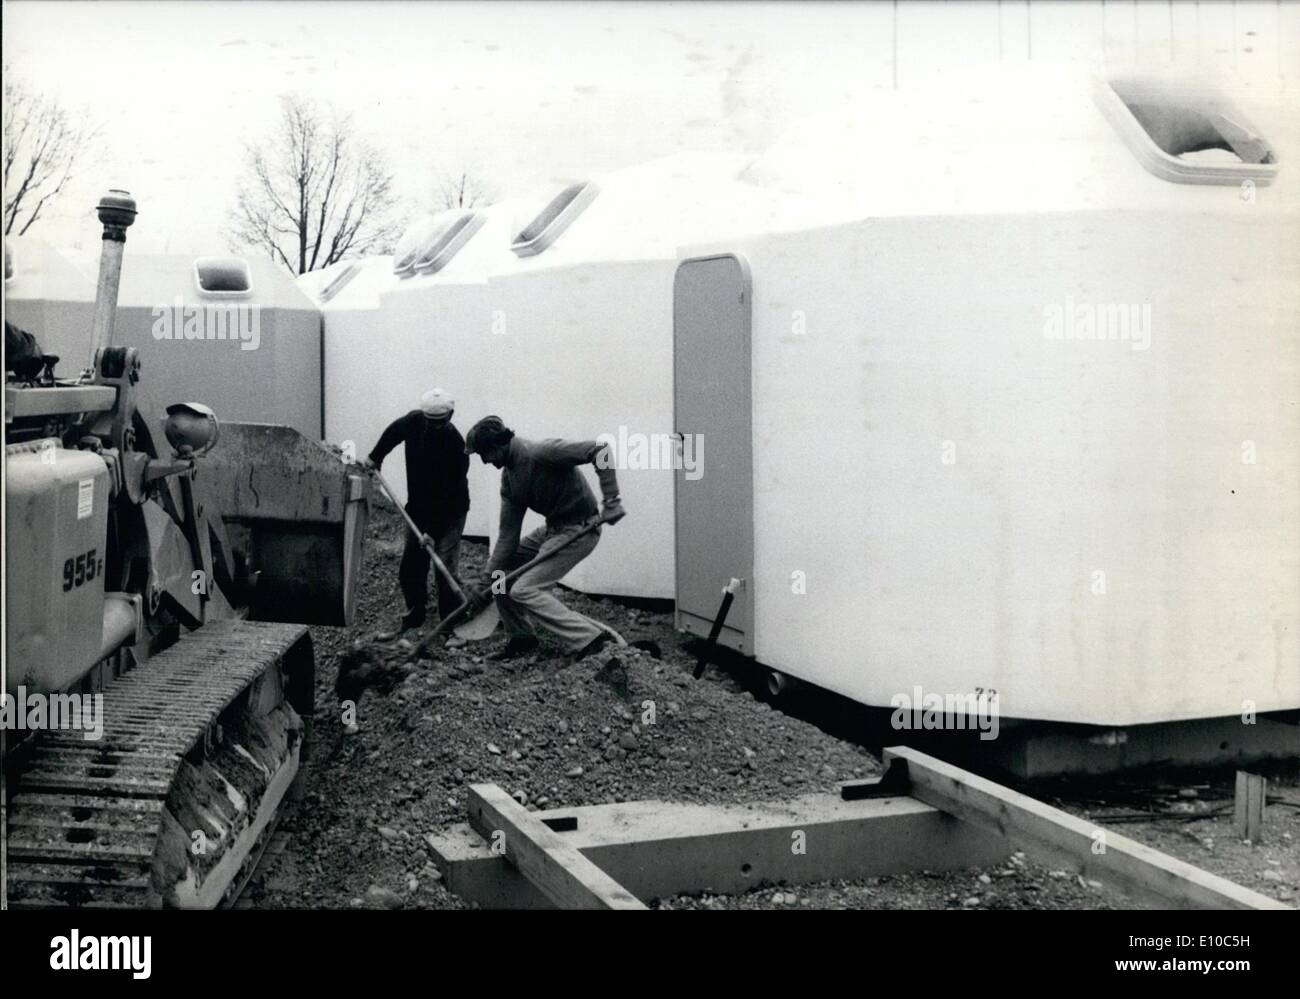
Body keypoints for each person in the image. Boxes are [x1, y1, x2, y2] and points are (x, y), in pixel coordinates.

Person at [464, 415, 625, 661]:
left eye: (484, 455)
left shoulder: (541, 452)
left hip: (581, 528)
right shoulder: (509, 481)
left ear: (497, 445)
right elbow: (507, 537)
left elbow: (599, 450)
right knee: (500, 578)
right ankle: (521, 639)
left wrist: (611, 499)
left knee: (524, 589)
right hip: (553, 529)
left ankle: (593, 641)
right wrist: (484, 584)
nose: (485, 462)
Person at [363, 388, 470, 638]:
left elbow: (447, 495)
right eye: (429, 421)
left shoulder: (456, 446)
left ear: (450, 415)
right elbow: (392, 433)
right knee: (410, 567)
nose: (433, 426)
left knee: (443, 568)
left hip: (451, 511)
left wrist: (431, 532)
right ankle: (415, 615)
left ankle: (452, 625)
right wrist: (374, 457)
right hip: (419, 508)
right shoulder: (413, 421)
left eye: (439, 422)